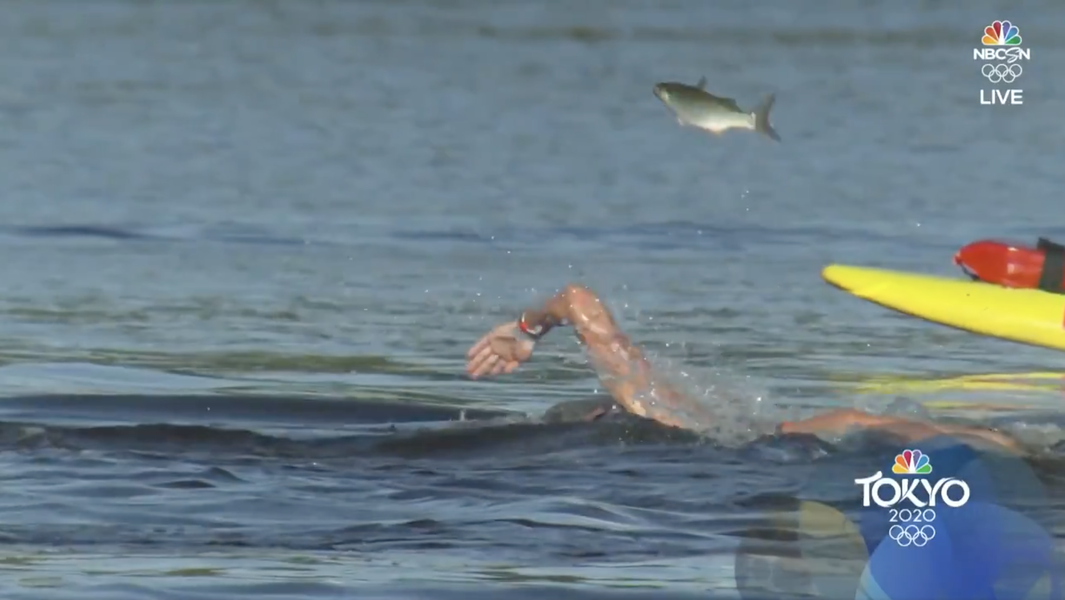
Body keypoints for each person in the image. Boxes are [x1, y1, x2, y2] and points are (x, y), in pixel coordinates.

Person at [465, 284, 1021, 452]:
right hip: (768, 436)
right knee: (861, 422)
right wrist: (529, 327)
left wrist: (526, 333)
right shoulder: (657, 399)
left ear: (598, 417)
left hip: (760, 444)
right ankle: (1013, 447)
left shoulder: (645, 405)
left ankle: (1009, 448)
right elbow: (577, 299)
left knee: (863, 424)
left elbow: (577, 297)